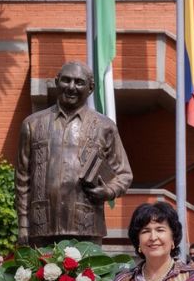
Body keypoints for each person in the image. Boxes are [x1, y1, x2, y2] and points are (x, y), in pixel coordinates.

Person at [16, 60, 133, 246]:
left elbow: (124, 175)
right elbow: (22, 178)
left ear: (91, 88)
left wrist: (107, 191)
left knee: (88, 276)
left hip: (86, 225)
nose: (71, 87)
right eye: (66, 80)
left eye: (79, 82)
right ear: (57, 82)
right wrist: (23, 223)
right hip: (42, 226)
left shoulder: (105, 127)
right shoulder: (32, 124)